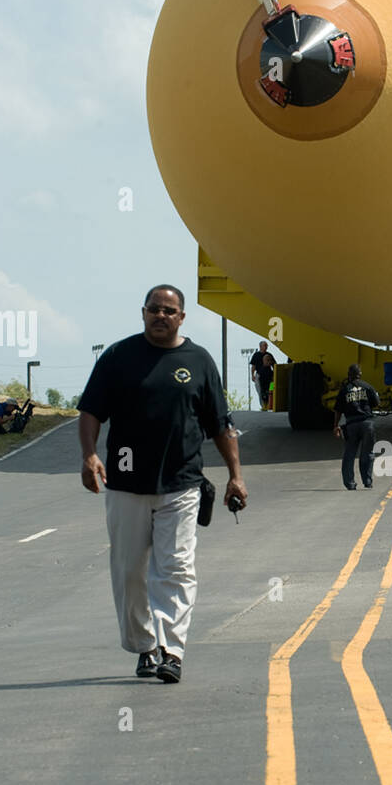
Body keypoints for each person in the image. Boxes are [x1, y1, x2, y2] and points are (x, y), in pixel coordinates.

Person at [77, 284, 248, 682]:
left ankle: (172, 650)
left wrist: (236, 476)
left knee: (176, 567)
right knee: (130, 571)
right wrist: (89, 455)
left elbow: (221, 425)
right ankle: (144, 646)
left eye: (169, 310)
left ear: (182, 317)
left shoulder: (199, 361)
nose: (161, 316)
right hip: (125, 484)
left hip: (182, 484)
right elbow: (90, 411)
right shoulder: (119, 357)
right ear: (143, 312)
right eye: (154, 309)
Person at [333, 363, 379, 489]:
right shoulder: (368, 387)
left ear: (349, 375)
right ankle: (367, 481)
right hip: (367, 424)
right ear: (360, 374)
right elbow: (376, 403)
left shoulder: (344, 390)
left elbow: (338, 410)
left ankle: (350, 483)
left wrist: (336, 426)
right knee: (368, 453)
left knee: (349, 454)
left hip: (352, 425)